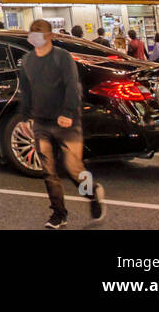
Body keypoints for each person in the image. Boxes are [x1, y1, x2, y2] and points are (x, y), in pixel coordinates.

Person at [17, 19, 104, 228]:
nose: (35, 36)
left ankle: (92, 193)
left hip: (67, 121)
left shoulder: (62, 57)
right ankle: (58, 213)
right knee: (48, 170)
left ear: (49, 36)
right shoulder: (27, 61)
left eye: (39, 32)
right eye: (32, 32)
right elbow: (26, 91)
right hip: (41, 122)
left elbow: (73, 86)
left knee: (73, 168)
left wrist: (67, 113)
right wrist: (24, 117)